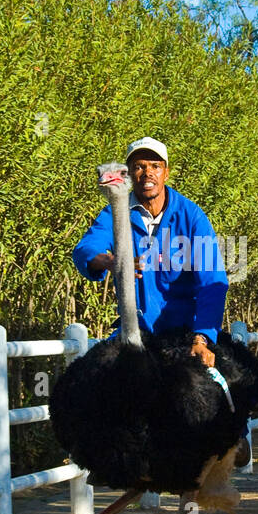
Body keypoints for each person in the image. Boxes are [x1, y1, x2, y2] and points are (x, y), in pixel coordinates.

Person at [72, 136, 228, 367]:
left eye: (155, 166)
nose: (147, 173)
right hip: (136, 331)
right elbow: (86, 248)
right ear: (128, 175)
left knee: (219, 391)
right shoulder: (115, 213)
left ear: (166, 172)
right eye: (139, 167)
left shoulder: (191, 216)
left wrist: (202, 337)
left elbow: (212, 280)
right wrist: (111, 261)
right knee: (91, 383)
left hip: (184, 334)